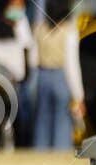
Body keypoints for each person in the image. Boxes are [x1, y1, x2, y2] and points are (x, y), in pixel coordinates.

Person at [31, 0, 79, 149]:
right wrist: (78, 95)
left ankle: (40, 156)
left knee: (42, 120)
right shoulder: (69, 30)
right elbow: (72, 65)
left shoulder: (39, 29)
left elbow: (33, 60)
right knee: (63, 120)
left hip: (42, 77)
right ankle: (61, 156)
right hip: (61, 77)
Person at [0, 2, 33, 145]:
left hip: (17, 82)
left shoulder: (22, 25)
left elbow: (28, 47)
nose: (18, 8)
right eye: (15, 4)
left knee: (19, 120)